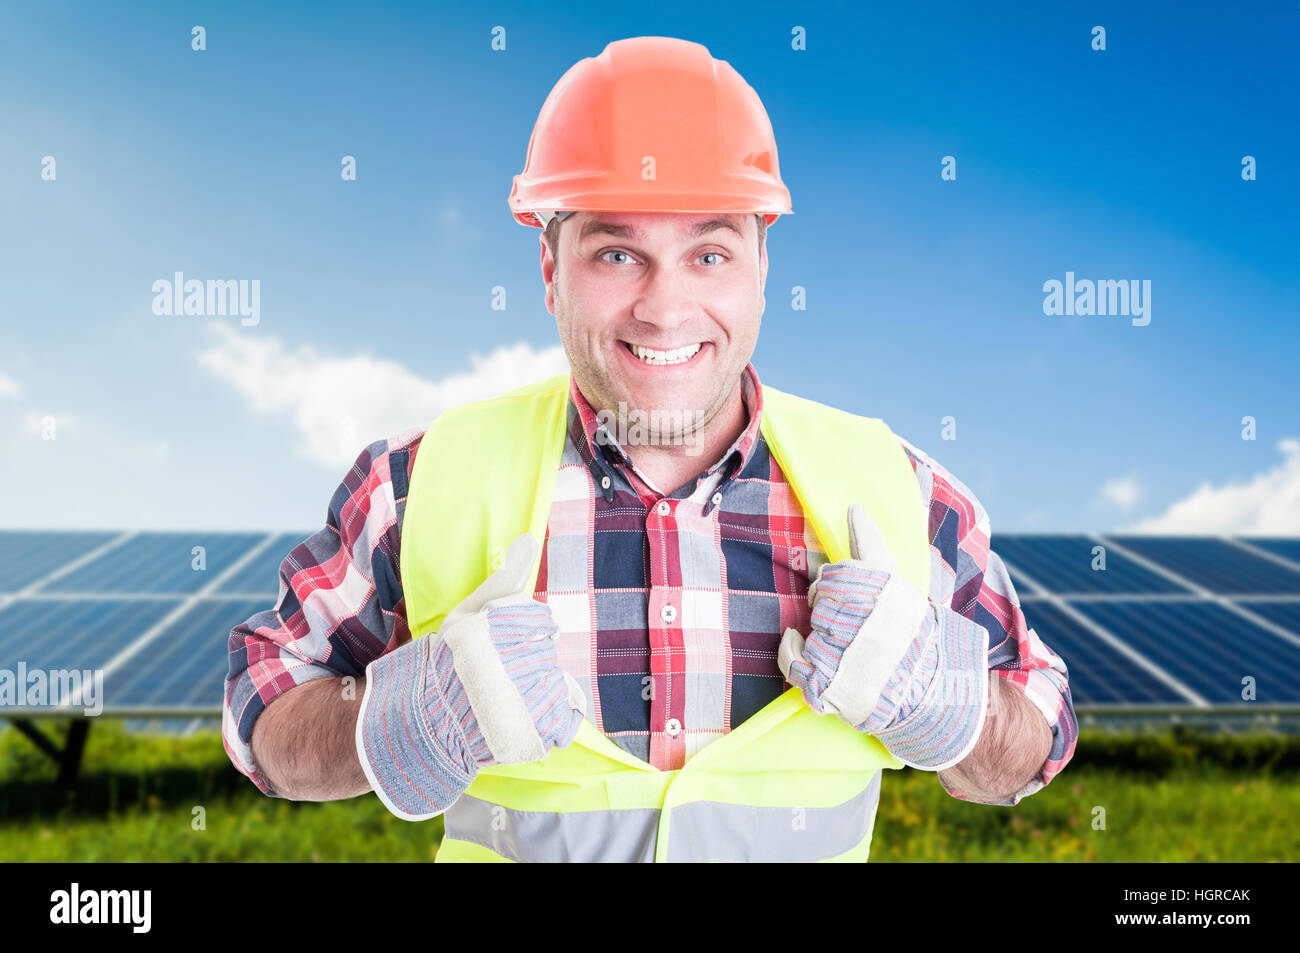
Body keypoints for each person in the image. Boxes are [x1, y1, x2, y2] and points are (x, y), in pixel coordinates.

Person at [222, 35, 1077, 862]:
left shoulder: (902, 492)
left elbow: (1034, 739)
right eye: (617, 252)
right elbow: (263, 721)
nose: (665, 310)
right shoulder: (413, 485)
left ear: (762, 268)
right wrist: (404, 716)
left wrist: (944, 698)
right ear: (551, 270)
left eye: (709, 253)